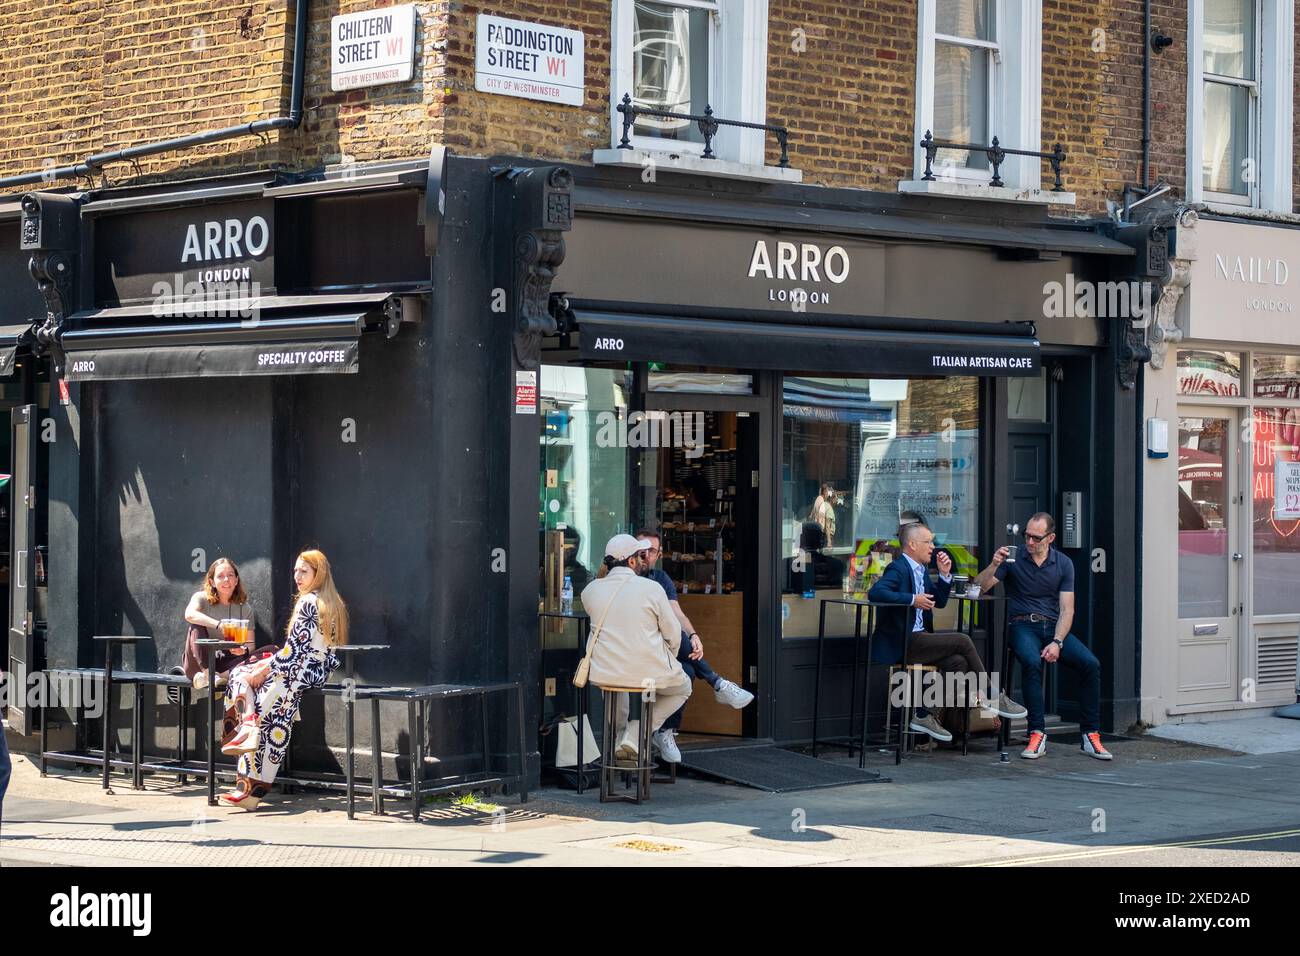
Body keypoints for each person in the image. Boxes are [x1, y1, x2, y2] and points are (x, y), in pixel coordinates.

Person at [868, 521, 1025, 742]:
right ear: (912, 544)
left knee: (958, 662)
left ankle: (925, 714)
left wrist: (943, 575)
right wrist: (913, 600)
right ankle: (992, 694)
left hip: (920, 639)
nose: (933, 546)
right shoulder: (899, 567)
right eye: (928, 542)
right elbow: (876, 593)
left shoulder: (920, 569)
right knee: (962, 640)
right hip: (903, 642)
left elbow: (939, 601)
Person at [972, 512, 1111, 760]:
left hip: (1053, 627)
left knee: (1091, 664)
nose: (1030, 542)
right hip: (1022, 625)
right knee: (1031, 661)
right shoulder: (1013, 559)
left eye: (1036, 538)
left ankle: (1090, 735)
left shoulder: (1063, 563)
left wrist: (1057, 642)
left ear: (1051, 537)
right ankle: (1037, 732)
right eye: (1027, 536)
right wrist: (994, 564)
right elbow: (978, 588)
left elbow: (1068, 609)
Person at [218, 549, 347, 809]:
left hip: (295, 673)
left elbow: (292, 653)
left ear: (317, 574)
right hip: (314, 673)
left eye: (304, 571)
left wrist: (264, 671)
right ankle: (249, 735)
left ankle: (247, 731)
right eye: (296, 571)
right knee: (274, 721)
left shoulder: (308, 602)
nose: (297, 576)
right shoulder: (332, 602)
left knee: (250, 690)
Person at [634, 529, 754, 762]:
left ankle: (665, 731)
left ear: (658, 555)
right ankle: (717, 682)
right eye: (643, 550)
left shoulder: (660, 579)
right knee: (681, 656)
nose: (647, 555)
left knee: (687, 671)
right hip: (640, 653)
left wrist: (693, 634)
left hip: (664, 652)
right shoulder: (627, 579)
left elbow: (676, 612)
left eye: (652, 551)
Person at [579, 534, 690, 766]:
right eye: (641, 555)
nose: (645, 559)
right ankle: (636, 733)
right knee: (683, 687)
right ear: (630, 561)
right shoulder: (652, 589)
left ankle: (620, 743)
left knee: (617, 688)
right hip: (647, 672)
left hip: (605, 672)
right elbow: (672, 632)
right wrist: (670, 653)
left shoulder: (590, 591)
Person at [181, 558, 260, 691]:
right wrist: (219, 625)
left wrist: (243, 650)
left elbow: (250, 645)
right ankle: (208, 674)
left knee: (269, 651)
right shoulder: (201, 598)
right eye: (220, 576)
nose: (226, 580)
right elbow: (189, 614)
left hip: (227, 661)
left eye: (230, 575)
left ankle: (220, 676)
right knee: (196, 625)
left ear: (236, 580)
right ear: (212, 582)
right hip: (199, 662)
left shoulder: (244, 608)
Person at [809, 483, 838, 550]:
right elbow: (827, 526)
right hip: (823, 533)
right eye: (836, 498)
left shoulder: (818, 500)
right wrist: (829, 542)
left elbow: (811, 515)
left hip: (819, 532)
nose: (827, 495)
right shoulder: (825, 504)